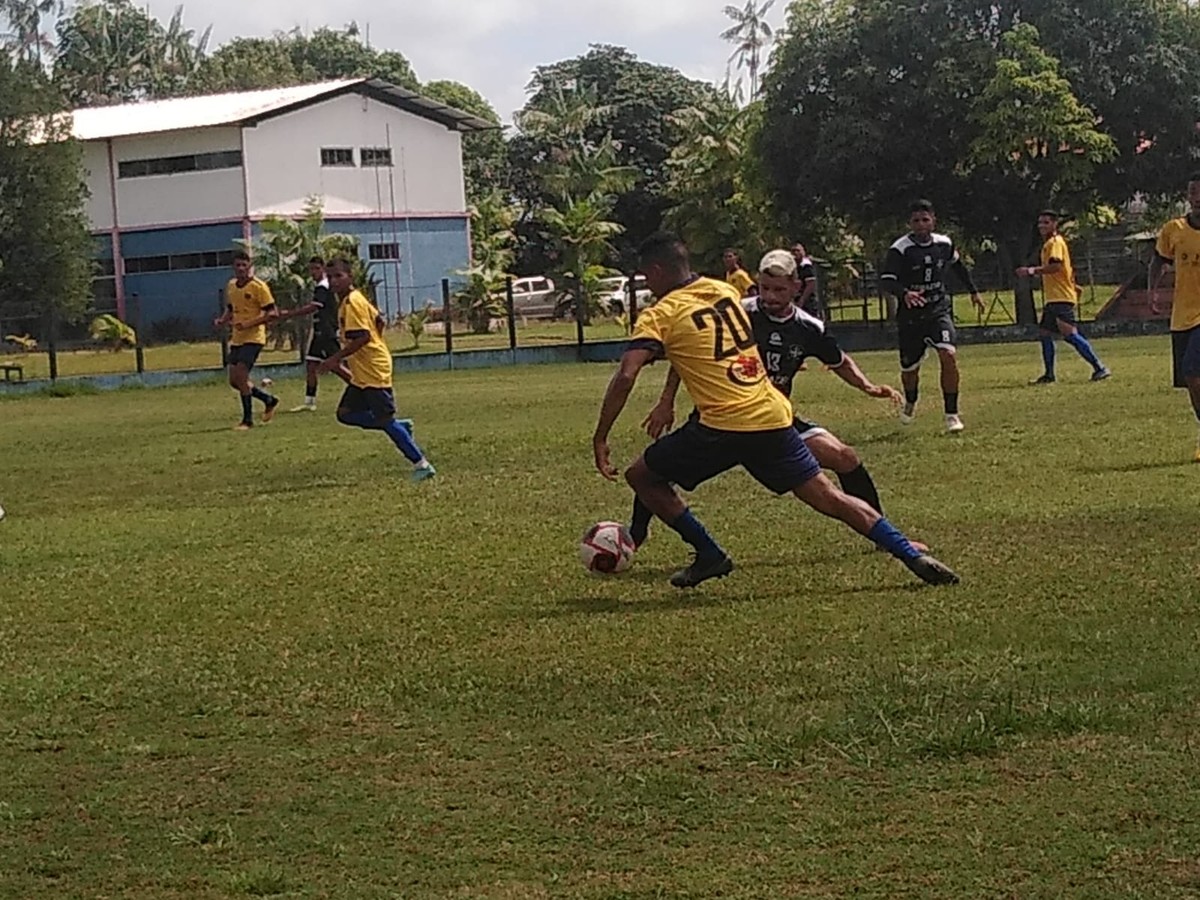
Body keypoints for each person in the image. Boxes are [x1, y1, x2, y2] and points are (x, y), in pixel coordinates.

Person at [592, 232, 958, 589]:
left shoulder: (661, 313)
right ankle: (908, 553)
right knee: (828, 496)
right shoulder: (725, 291)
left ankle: (708, 553)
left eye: (645, 276)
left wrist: (601, 436)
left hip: (721, 424)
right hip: (771, 415)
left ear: (655, 271)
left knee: (642, 475)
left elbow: (627, 374)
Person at [639, 249, 900, 522]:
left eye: (779, 289)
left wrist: (867, 386)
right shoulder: (738, 312)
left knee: (844, 456)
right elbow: (690, 350)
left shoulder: (809, 327)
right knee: (656, 470)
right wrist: (666, 401)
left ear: (796, 287)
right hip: (724, 420)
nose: (770, 297)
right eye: (764, 288)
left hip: (773, 420)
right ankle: (633, 537)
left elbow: (840, 361)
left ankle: (883, 530)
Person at [316, 258, 436, 482]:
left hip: (372, 369)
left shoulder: (352, 302)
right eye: (329, 277)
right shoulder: (352, 299)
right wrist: (375, 345)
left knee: (383, 419)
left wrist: (335, 359)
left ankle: (422, 464)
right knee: (345, 414)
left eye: (338, 276)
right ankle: (399, 426)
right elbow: (378, 321)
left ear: (350, 277)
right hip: (364, 369)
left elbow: (363, 337)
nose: (333, 281)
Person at [880, 200, 985, 433]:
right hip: (910, 316)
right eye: (916, 220)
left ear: (933, 220)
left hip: (938, 309)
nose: (921, 225)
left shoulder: (944, 244)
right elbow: (886, 280)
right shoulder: (900, 249)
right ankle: (910, 400)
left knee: (948, 354)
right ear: (910, 223)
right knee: (910, 370)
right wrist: (904, 293)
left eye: (925, 219)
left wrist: (973, 292)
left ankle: (951, 415)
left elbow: (958, 267)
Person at [1017, 212, 1111, 384]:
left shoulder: (1055, 243)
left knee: (1070, 334)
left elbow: (1056, 266)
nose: (1041, 226)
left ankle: (1100, 368)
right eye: (1039, 222)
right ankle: (1049, 375)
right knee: (1045, 334)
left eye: (1046, 222)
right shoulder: (1049, 243)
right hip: (1054, 298)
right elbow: (1064, 270)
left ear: (1055, 224)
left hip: (1060, 298)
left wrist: (1031, 271)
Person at [1149, 172, 1200, 462]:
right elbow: (1158, 261)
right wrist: (1152, 292)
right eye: (1194, 192)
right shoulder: (1174, 229)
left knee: (1194, 371)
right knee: (1191, 380)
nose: (1198, 197)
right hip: (1183, 315)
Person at [213, 251, 280, 431]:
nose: (241, 269)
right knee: (234, 381)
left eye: (244, 265)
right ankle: (268, 400)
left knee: (241, 376)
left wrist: (250, 323)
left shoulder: (259, 287)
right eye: (238, 265)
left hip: (254, 338)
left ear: (250, 266)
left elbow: (273, 313)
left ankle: (247, 420)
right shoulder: (232, 285)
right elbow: (231, 308)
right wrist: (223, 320)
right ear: (233, 267)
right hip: (237, 339)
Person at [287, 256, 345, 412]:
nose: (313, 272)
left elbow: (314, 306)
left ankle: (363, 392)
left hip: (326, 332)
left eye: (316, 268)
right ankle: (309, 402)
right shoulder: (321, 286)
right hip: (320, 331)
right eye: (311, 269)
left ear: (324, 269)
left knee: (335, 365)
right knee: (311, 365)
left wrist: (290, 313)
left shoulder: (323, 286)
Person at [791, 243, 820, 317]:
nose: (795, 253)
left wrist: (802, 300)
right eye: (793, 251)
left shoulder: (806, 266)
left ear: (803, 252)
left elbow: (811, 284)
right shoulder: (793, 267)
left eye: (798, 250)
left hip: (807, 303)